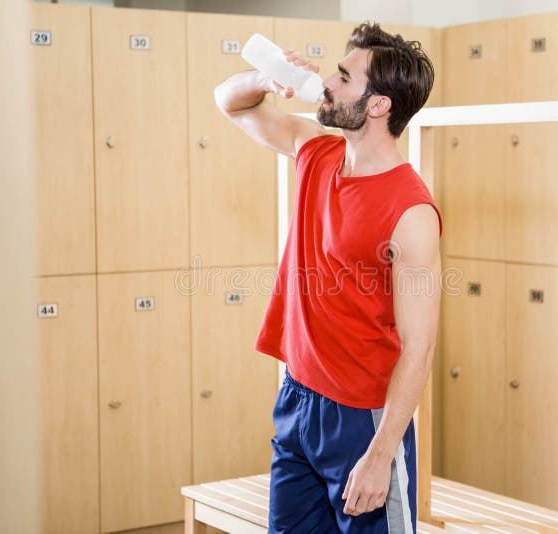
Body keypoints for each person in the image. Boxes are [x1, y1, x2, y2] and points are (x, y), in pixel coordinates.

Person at [214, 22, 442, 533]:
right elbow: (229, 101)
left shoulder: (412, 212)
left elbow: (419, 346)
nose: (328, 83)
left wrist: (381, 455)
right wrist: (266, 79)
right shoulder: (315, 151)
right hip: (298, 397)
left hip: (363, 420)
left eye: (344, 77)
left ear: (379, 105)